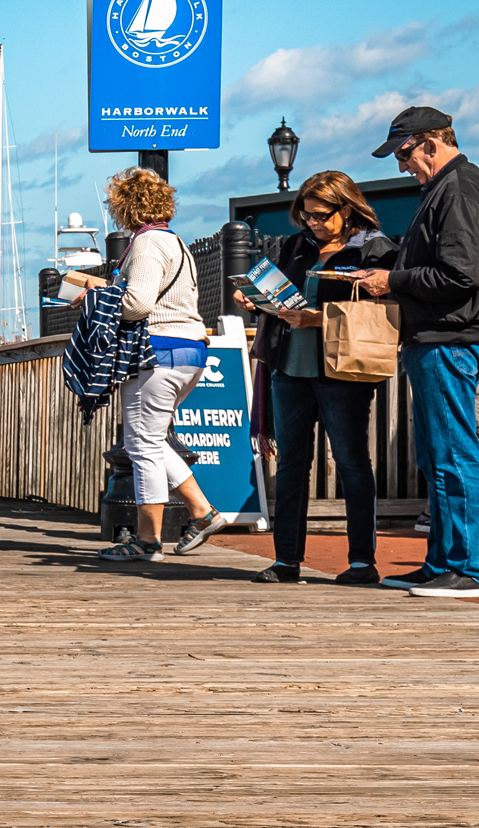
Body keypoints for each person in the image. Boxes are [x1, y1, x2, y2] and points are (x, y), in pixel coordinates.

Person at [354, 106, 479, 598]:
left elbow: (462, 274)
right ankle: (444, 562)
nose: (401, 166)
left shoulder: (457, 188)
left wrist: (390, 279)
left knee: (453, 456)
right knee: (439, 455)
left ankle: (464, 568)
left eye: (403, 154)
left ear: (429, 142)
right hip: (442, 338)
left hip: (450, 339)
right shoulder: (452, 187)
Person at [236, 172, 396, 586]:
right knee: (291, 464)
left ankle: (362, 562)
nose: (312, 224)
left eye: (321, 216)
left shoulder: (375, 250)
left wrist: (318, 318)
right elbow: (284, 300)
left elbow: (383, 315)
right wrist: (256, 301)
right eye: (305, 216)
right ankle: (287, 560)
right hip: (289, 367)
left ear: (347, 207)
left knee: (352, 463)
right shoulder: (296, 245)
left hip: (343, 371)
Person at [83, 168, 224, 564]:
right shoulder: (176, 242)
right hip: (189, 352)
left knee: (141, 446)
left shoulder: (145, 245)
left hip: (156, 353)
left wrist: (98, 299)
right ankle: (202, 511)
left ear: (124, 207)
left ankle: (147, 540)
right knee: (152, 440)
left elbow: (139, 304)